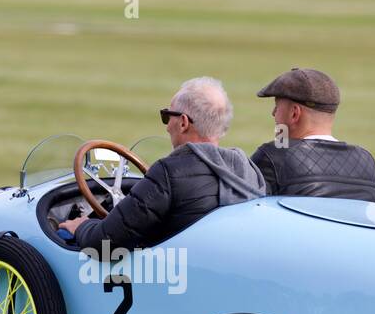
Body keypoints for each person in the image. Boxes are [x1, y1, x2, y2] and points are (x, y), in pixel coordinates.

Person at [60, 77, 265, 250]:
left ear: (183, 122)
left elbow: (106, 242)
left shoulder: (169, 173)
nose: (167, 127)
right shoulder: (246, 169)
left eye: (168, 116)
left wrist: (81, 226)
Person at [250, 68, 375, 202]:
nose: (273, 113)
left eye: (277, 107)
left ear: (294, 113)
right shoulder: (366, 162)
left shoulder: (272, 157)